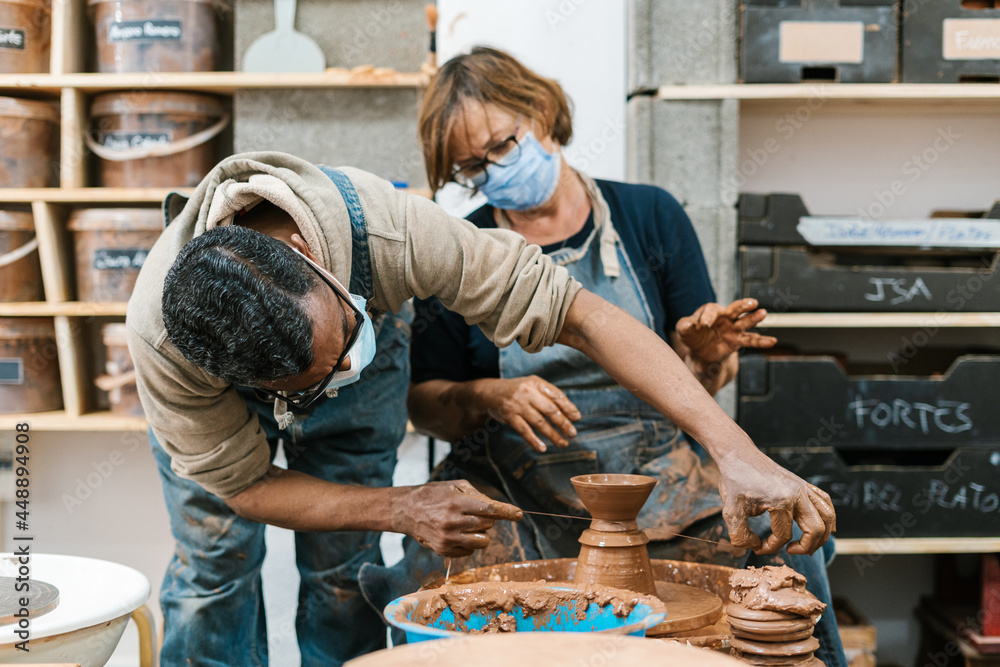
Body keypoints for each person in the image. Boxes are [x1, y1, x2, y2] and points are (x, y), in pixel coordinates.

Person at [128, 149, 833, 666]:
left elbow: (579, 315)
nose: (344, 369)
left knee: (342, 569)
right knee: (212, 566)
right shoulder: (163, 340)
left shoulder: (395, 233)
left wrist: (732, 447)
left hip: (357, 300)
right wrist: (401, 506)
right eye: (317, 377)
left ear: (314, 257)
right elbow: (247, 485)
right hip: (219, 414)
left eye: (342, 339)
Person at [359, 47, 847, 667]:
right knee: (443, 569)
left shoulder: (651, 216)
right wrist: (489, 396)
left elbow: (706, 382)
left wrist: (705, 357)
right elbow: (424, 402)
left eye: (501, 148)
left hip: (655, 476)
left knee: (781, 547)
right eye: (473, 169)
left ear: (540, 112)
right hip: (515, 476)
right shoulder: (463, 248)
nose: (492, 172)